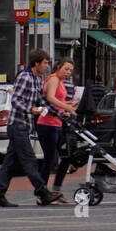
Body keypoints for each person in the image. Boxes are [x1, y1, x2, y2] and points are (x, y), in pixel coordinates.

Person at [0, 50, 64, 207]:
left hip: (24, 125)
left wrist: (61, 113)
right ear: (36, 63)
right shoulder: (24, 77)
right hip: (18, 124)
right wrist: (31, 110)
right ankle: (42, 192)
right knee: (29, 160)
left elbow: (43, 100)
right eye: (45, 63)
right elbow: (16, 100)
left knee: (10, 162)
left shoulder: (37, 79)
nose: (47, 66)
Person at [37, 58, 78, 203]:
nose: (68, 73)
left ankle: (56, 190)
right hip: (47, 124)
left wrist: (68, 105)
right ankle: (42, 194)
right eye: (66, 69)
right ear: (58, 66)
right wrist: (66, 107)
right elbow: (50, 98)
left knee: (66, 157)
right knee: (50, 159)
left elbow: (56, 102)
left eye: (70, 71)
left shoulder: (60, 81)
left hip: (57, 123)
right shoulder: (53, 79)